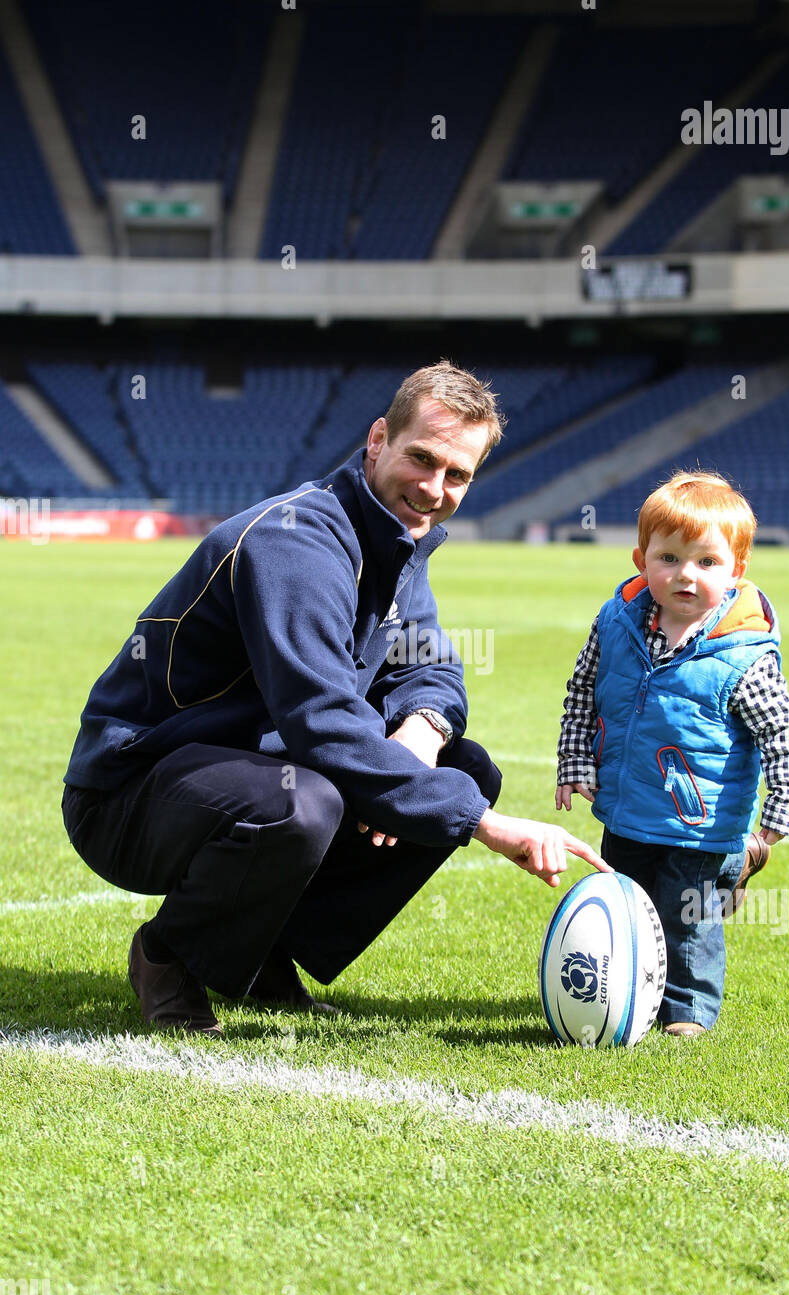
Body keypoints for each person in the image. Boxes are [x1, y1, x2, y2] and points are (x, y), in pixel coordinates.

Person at [62, 361, 609, 1036]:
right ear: (378, 440)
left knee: (462, 768)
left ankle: (262, 954)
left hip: (245, 771)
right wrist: (484, 826)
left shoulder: (395, 544)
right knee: (304, 799)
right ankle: (168, 956)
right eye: (422, 458)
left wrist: (422, 732)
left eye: (457, 475)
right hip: (130, 793)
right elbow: (319, 721)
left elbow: (432, 667)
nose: (434, 488)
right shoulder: (296, 542)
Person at [556, 471, 789, 1037]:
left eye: (706, 563)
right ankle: (625, 992)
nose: (685, 575)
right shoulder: (616, 624)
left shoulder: (742, 656)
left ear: (737, 570)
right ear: (640, 558)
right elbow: (583, 691)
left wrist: (775, 821)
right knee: (627, 909)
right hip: (626, 811)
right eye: (668, 558)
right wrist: (576, 763)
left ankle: (687, 1011)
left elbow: (785, 736)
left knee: (688, 920)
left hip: (702, 826)